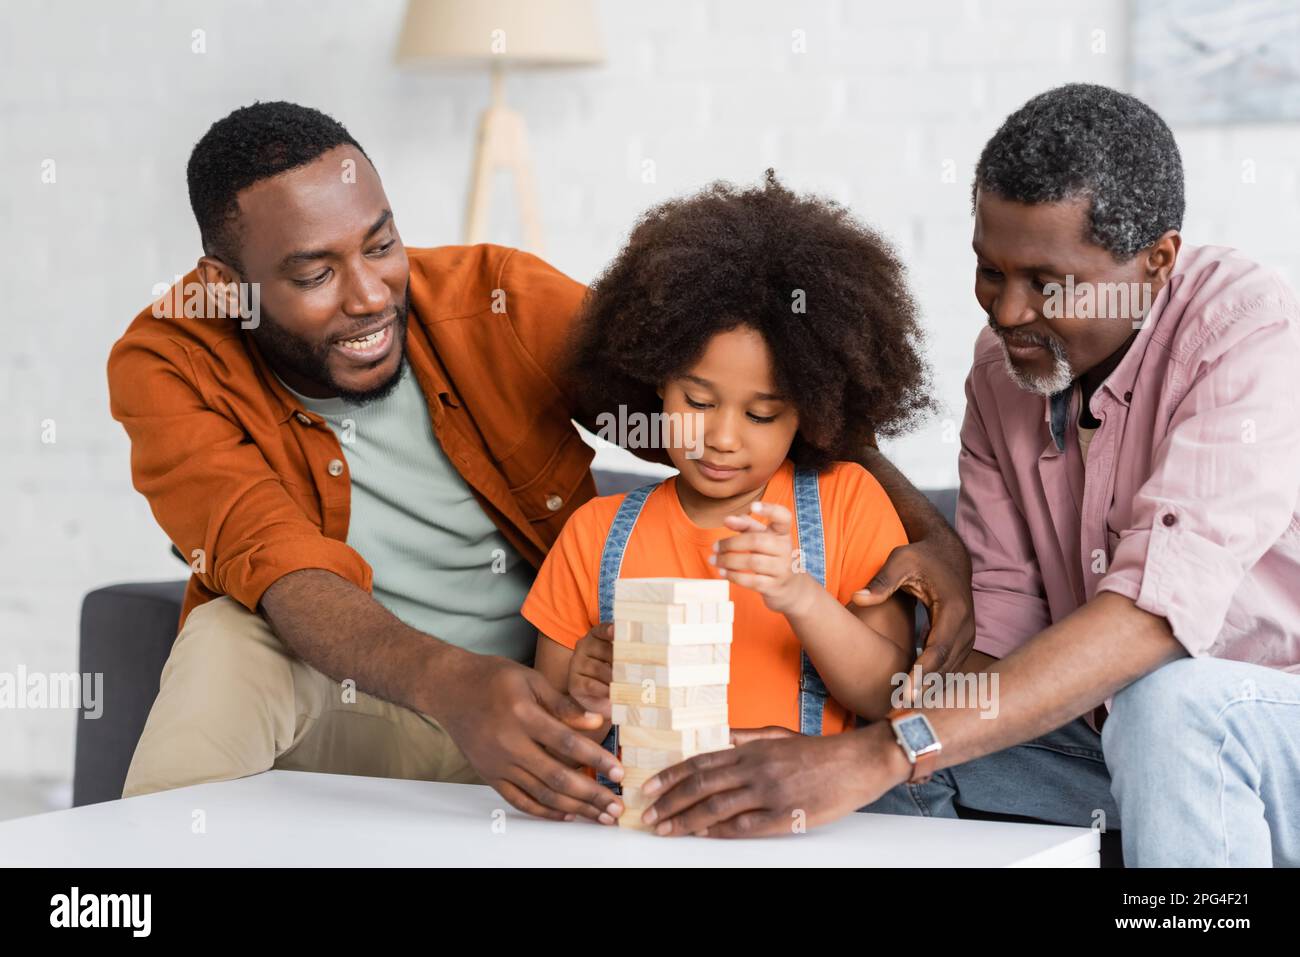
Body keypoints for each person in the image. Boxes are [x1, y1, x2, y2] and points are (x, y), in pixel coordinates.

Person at [107, 102, 973, 826]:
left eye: (379, 244)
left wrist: (933, 535)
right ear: (226, 284)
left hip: (546, 733)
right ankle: (138, 888)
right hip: (368, 709)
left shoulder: (495, 300)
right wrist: (454, 685)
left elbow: (723, 385)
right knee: (227, 634)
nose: (371, 294)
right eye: (314, 274)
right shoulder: (168, 367)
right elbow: (281, 569)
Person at [638, 84, 1300, 867]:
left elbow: (1151, 622)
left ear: (1155, 262)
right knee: (858, 762)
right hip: (1107, 738)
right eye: (990, 269)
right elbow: (1002, 644)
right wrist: (839, 750)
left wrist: (885, 752)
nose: (1007, 311)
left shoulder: (1247, 332)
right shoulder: (1004, 372)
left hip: (1260, 723)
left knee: (1169, 704)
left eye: (1046, 283)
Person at [524, 174, 931, 761]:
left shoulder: (851, 504)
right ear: (654, 378)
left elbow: (887, 697)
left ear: (811, 414)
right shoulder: (594, 535)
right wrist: (588, 696)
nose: (720, 438)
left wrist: (797, 595)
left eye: (762, 414)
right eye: (697, 402)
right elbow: (554, 740)